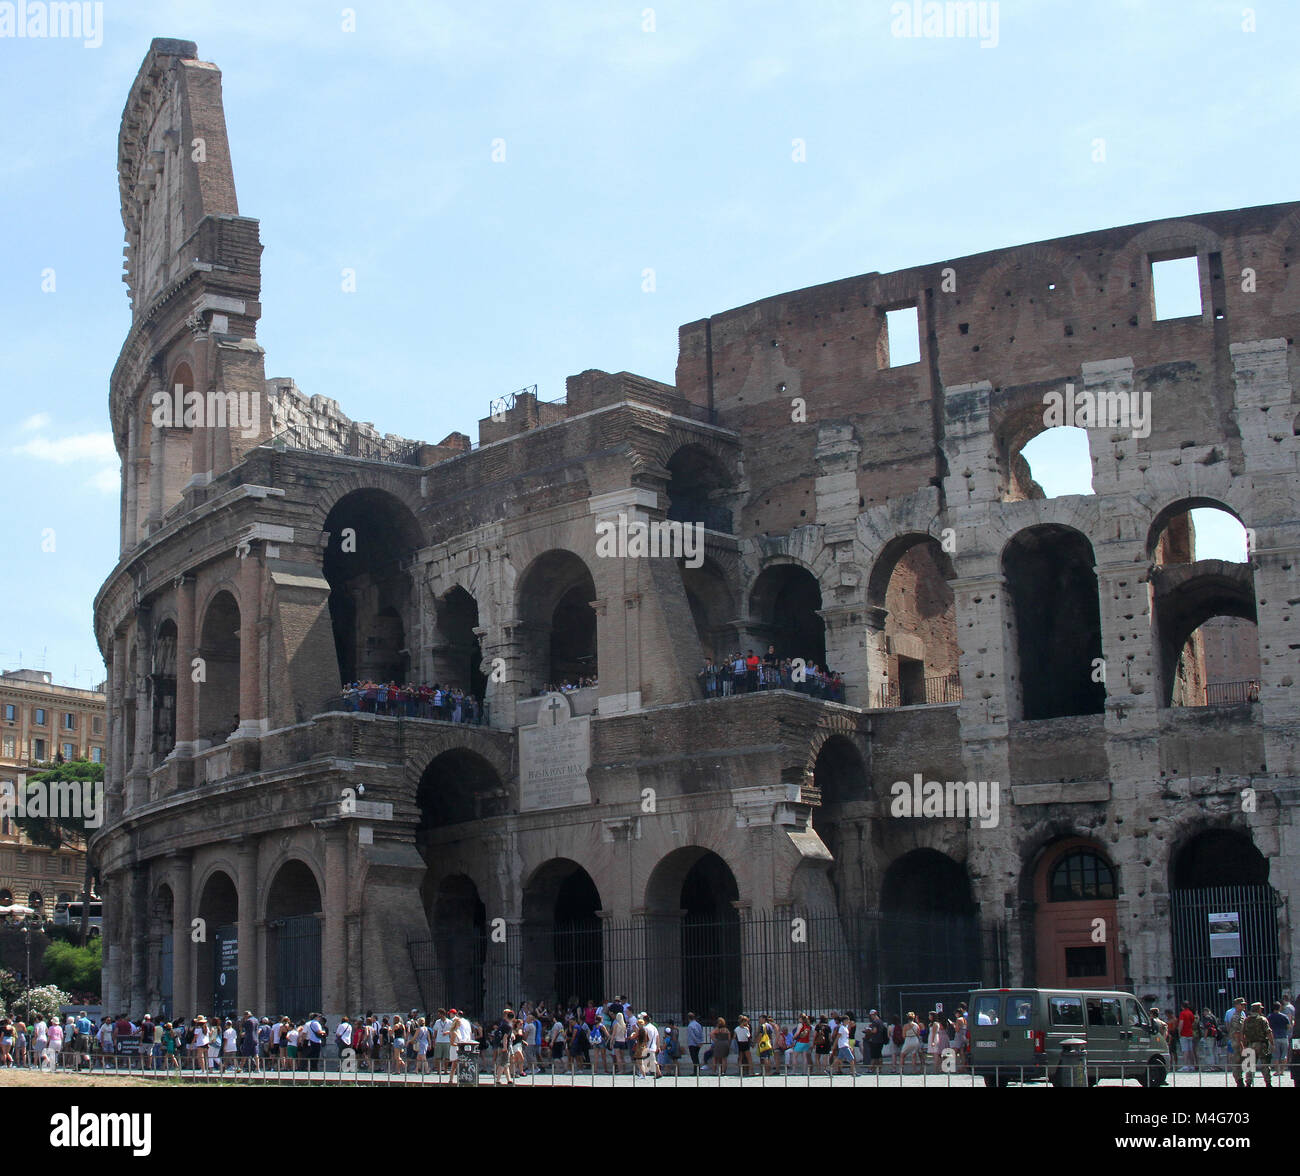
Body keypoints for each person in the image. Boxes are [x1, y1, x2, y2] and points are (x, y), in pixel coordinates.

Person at [1237, 1003, 1274, 1088]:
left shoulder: (1246, 1020)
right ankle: (1268, 1083)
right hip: (1261, 1044)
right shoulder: (1262, 1019)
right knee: (1264, 1064)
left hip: (1250, 1045)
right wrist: (1272, 1043)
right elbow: (1268, 1032)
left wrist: (1244, 1045)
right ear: (1258, 1010)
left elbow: (1242, 1033)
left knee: (1250, 1065)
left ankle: (1248, 1083)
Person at [1268, 1001, 1290, 1081]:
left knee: (1276, 1055)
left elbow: (1268, 1027)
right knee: (1284, 1055)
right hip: (1284, 1037)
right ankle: (1282, 1071)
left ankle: (1277, 1071)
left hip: (1275, 1038)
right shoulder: (1284, 1016)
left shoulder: (1270, 1017)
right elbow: (1288, 1026)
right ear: (1280, 1007)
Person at [1176, 1002, 1197, 1072]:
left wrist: (1179, 1032)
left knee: (1185, 1050)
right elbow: (1193, 1023)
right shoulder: (1191, 1013)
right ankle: (1192, 1065)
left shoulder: (1182, 1013)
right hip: (1190, 1033)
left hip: (1184, 1034)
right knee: (1190, 1050)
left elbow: (1181, 1023)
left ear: (1182, 1007)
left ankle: (1185, 1065)